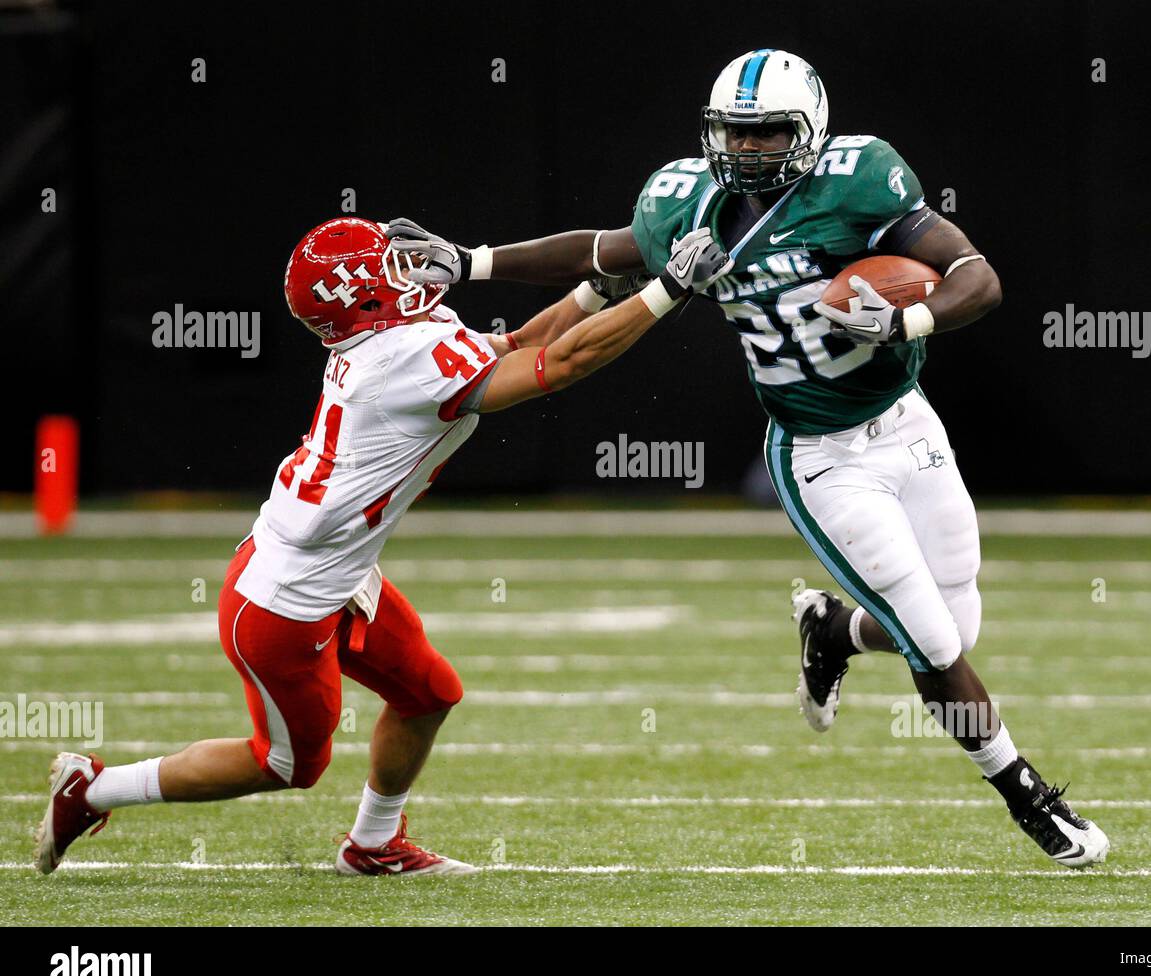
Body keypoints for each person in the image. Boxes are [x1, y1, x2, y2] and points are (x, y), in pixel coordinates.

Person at [388, 50, 1109, 867]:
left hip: (907, 422)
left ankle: (832, 631)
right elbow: (601, 253)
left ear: (809, 128)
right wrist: (476, 261)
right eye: (736, 132)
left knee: (957, 618)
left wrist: (907, 324)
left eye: (768, 133)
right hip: (819, 455)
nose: (751, 150)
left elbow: (977, 277)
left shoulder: (862, 177)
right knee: (938, 647)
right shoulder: (682, 198)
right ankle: (1030, 800)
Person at [36, 215, 730, 876]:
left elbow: (517, 347)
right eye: (387, 266)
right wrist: (666, 292)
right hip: (286, 603)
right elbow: (563, 364)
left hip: (337, 570)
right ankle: (93, 790)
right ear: (362, 296)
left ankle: (373, 845)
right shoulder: (404, 355)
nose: (409, 267)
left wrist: (592, 288)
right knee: (285, 765)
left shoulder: (405, 337)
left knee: (428, 693)